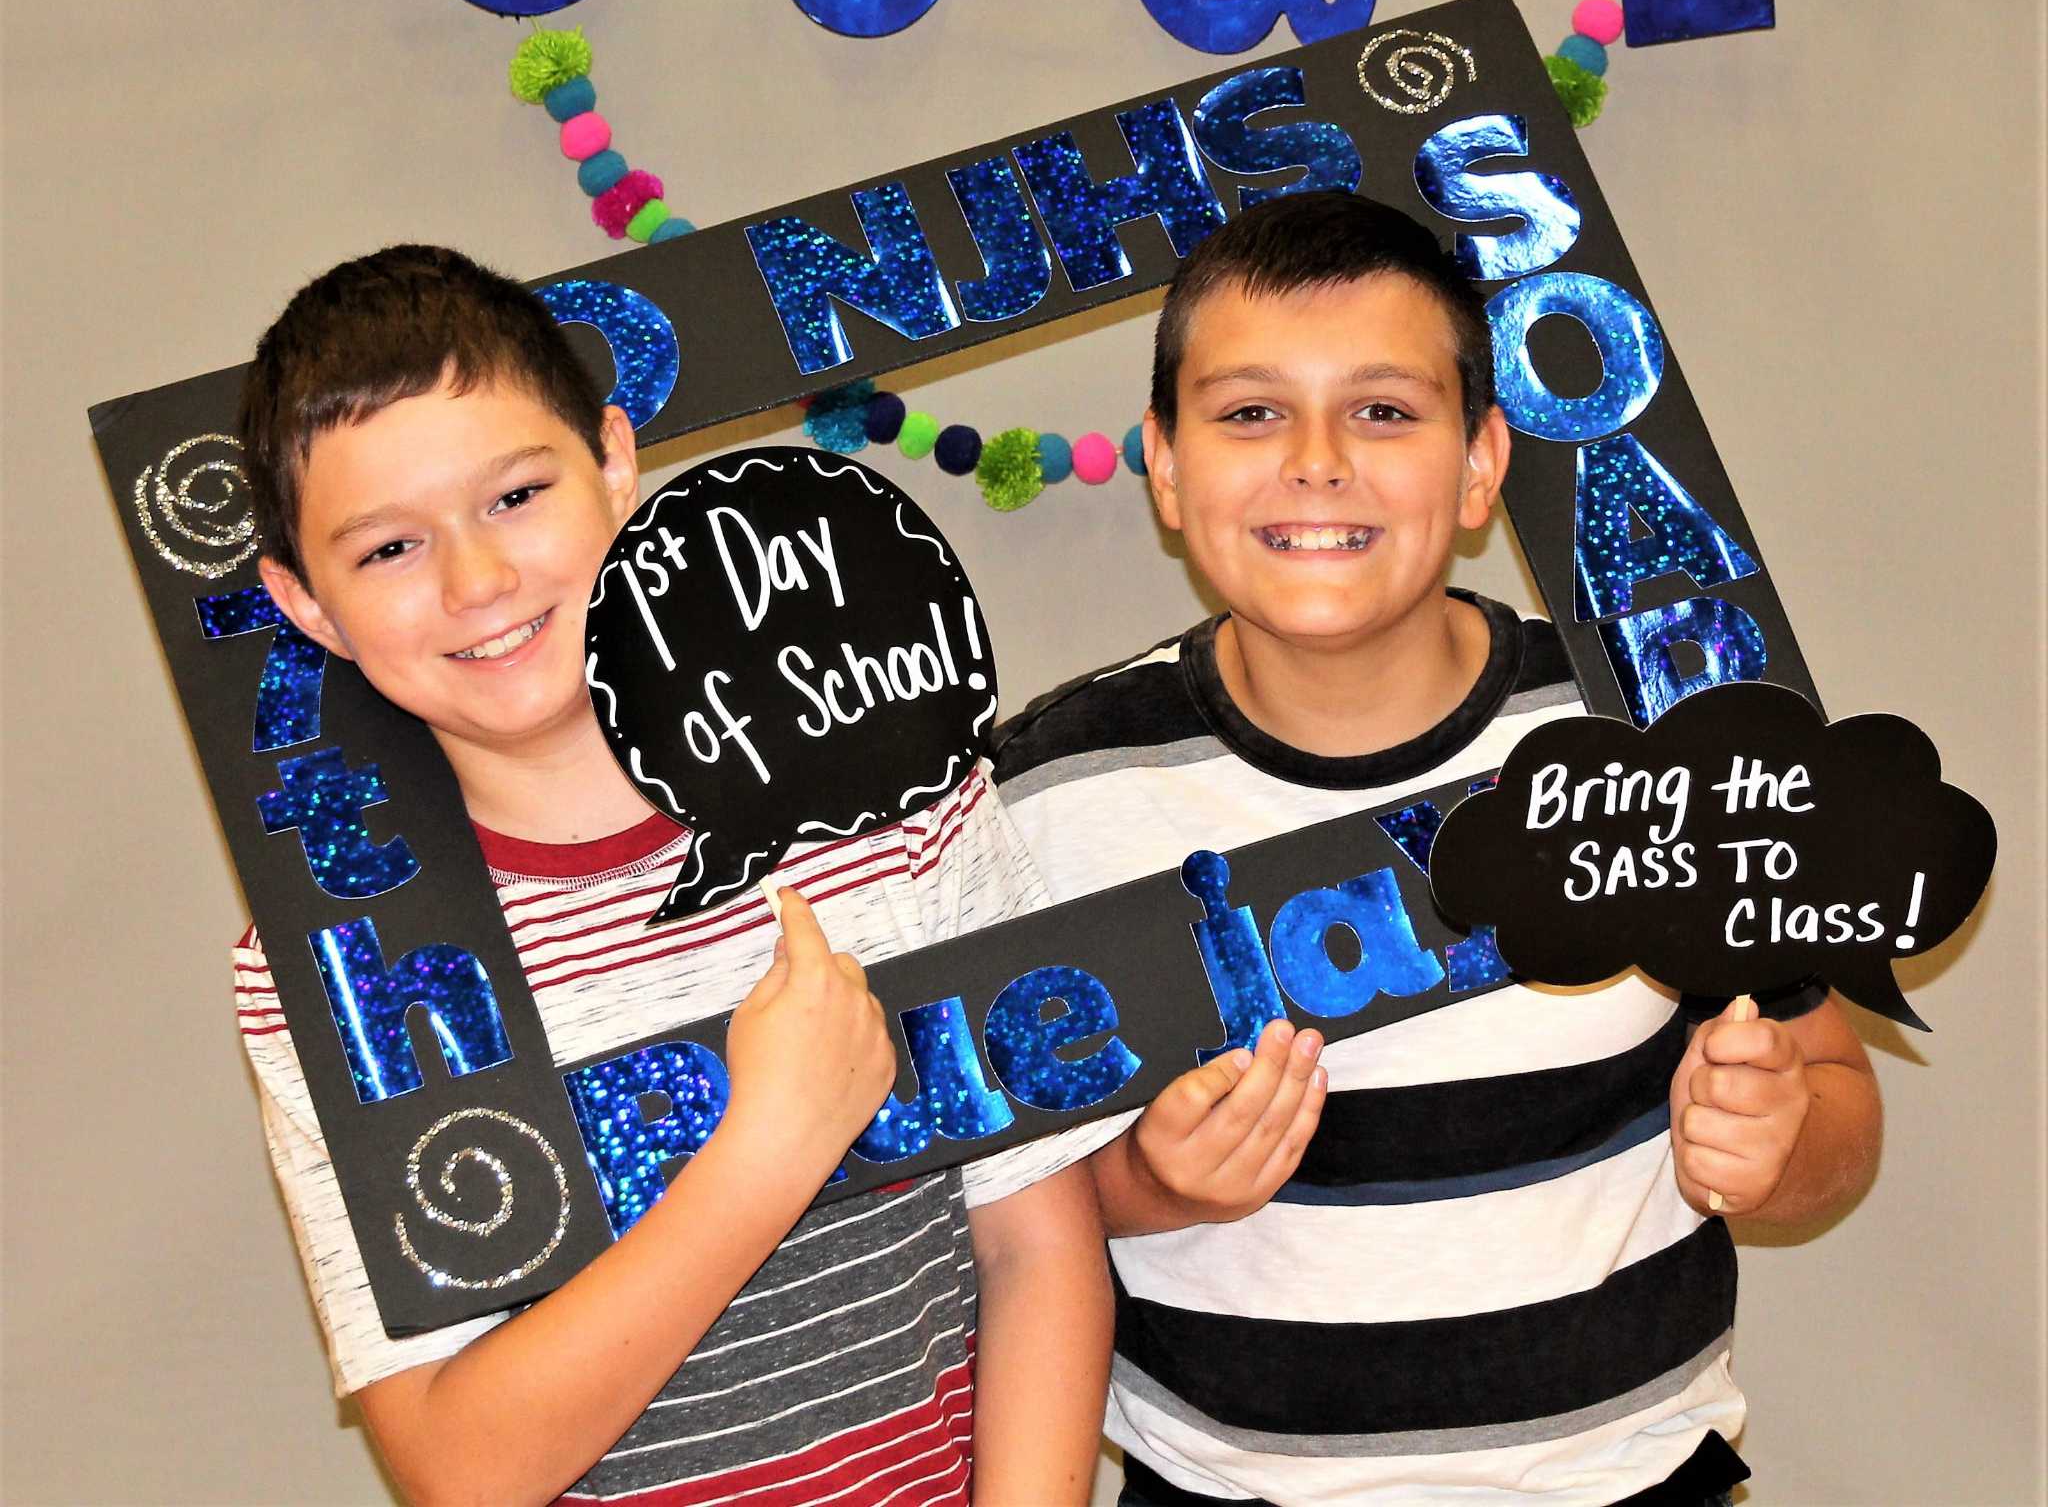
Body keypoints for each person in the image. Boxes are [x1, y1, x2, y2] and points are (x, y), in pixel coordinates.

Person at [992, 192, 1882, 1506]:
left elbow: (1835, 1107)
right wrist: (1153, 1183)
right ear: (1166, 468)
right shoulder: (1048, 795)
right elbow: (1004, 1220)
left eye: (1385, 411)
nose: (1316, 460)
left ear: (1481, 464)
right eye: (1249, 412)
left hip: (1630, 1484)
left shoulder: (1654, 733)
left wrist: (1783, 1139)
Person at [233, 244, 1110, 1505]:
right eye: (386, 551)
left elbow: (1037, 1243)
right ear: (306, 604)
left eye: (515, 498)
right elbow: (456, 1468)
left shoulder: (889, 778)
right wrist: (768, 1150)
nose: (477, 582)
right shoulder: (328, 970)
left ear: (612, 460)